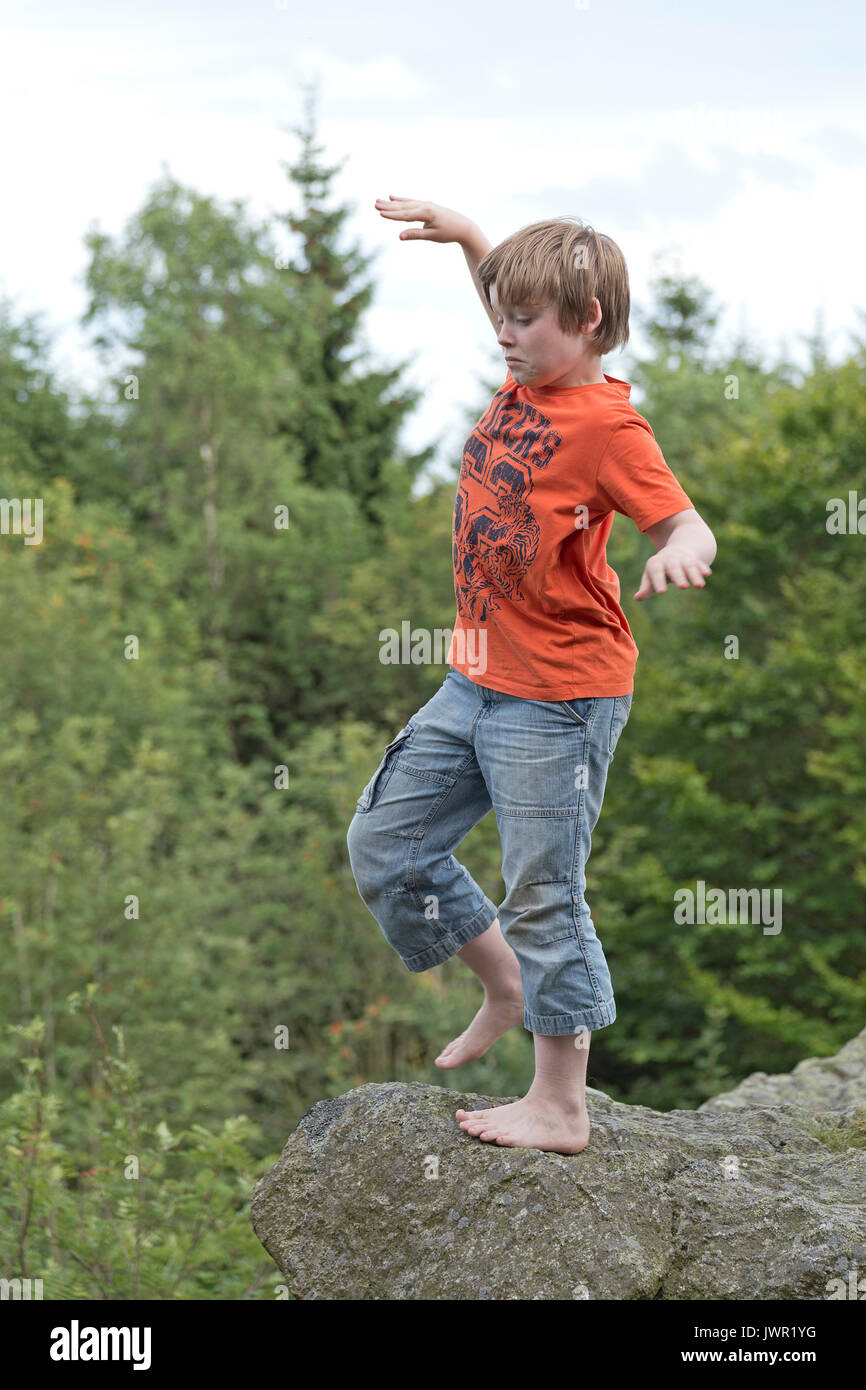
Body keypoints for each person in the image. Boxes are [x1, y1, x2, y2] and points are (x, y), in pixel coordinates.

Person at [346, 197, 717, 1154]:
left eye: (524, 319)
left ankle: (561, 1103)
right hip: (475, 676)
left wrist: (681, 550)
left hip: (559, 695)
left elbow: (682, 518)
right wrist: (474, 237)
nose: (504, 335)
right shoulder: (525, 375)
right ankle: (504, 982)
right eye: (499, 314)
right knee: (390, 844)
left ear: (587, 321)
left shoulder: (606, 424)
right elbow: (509, 304)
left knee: (545, 891)